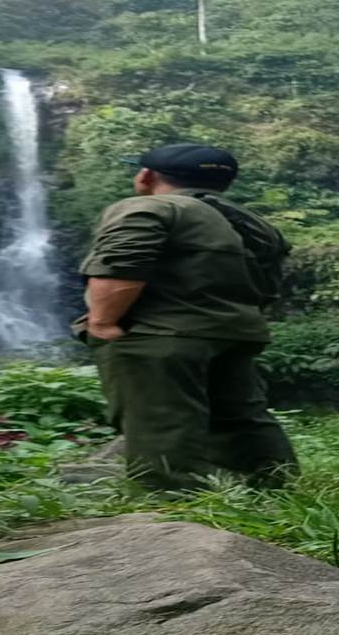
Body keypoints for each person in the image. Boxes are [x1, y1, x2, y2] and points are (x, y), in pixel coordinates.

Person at [72, 142, 297, 491]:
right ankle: (275, 489)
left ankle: (170, 501)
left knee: (159, 421)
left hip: (162, 336)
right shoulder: (248, 221)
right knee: (241, 418)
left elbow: (121, 264)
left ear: (147, 176)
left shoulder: (151, 207)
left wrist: (102, 321)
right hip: (235, 332)